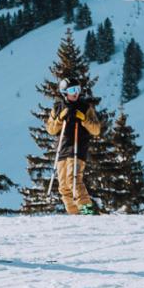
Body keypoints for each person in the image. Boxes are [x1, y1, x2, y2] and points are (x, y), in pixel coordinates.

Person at [45, 80, 101, 215]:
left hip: (78, 147)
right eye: (71, 90)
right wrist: (60, 118)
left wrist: (83, 118)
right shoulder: (58, 107)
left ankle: (87, 208)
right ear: (64, 92)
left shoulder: (84, 107)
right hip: (63, 148)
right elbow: (51, 129)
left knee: (73, 179)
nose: (75, 93)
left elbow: (96, 129)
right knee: (63, 186)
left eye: (77, 89)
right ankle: (74, 213)